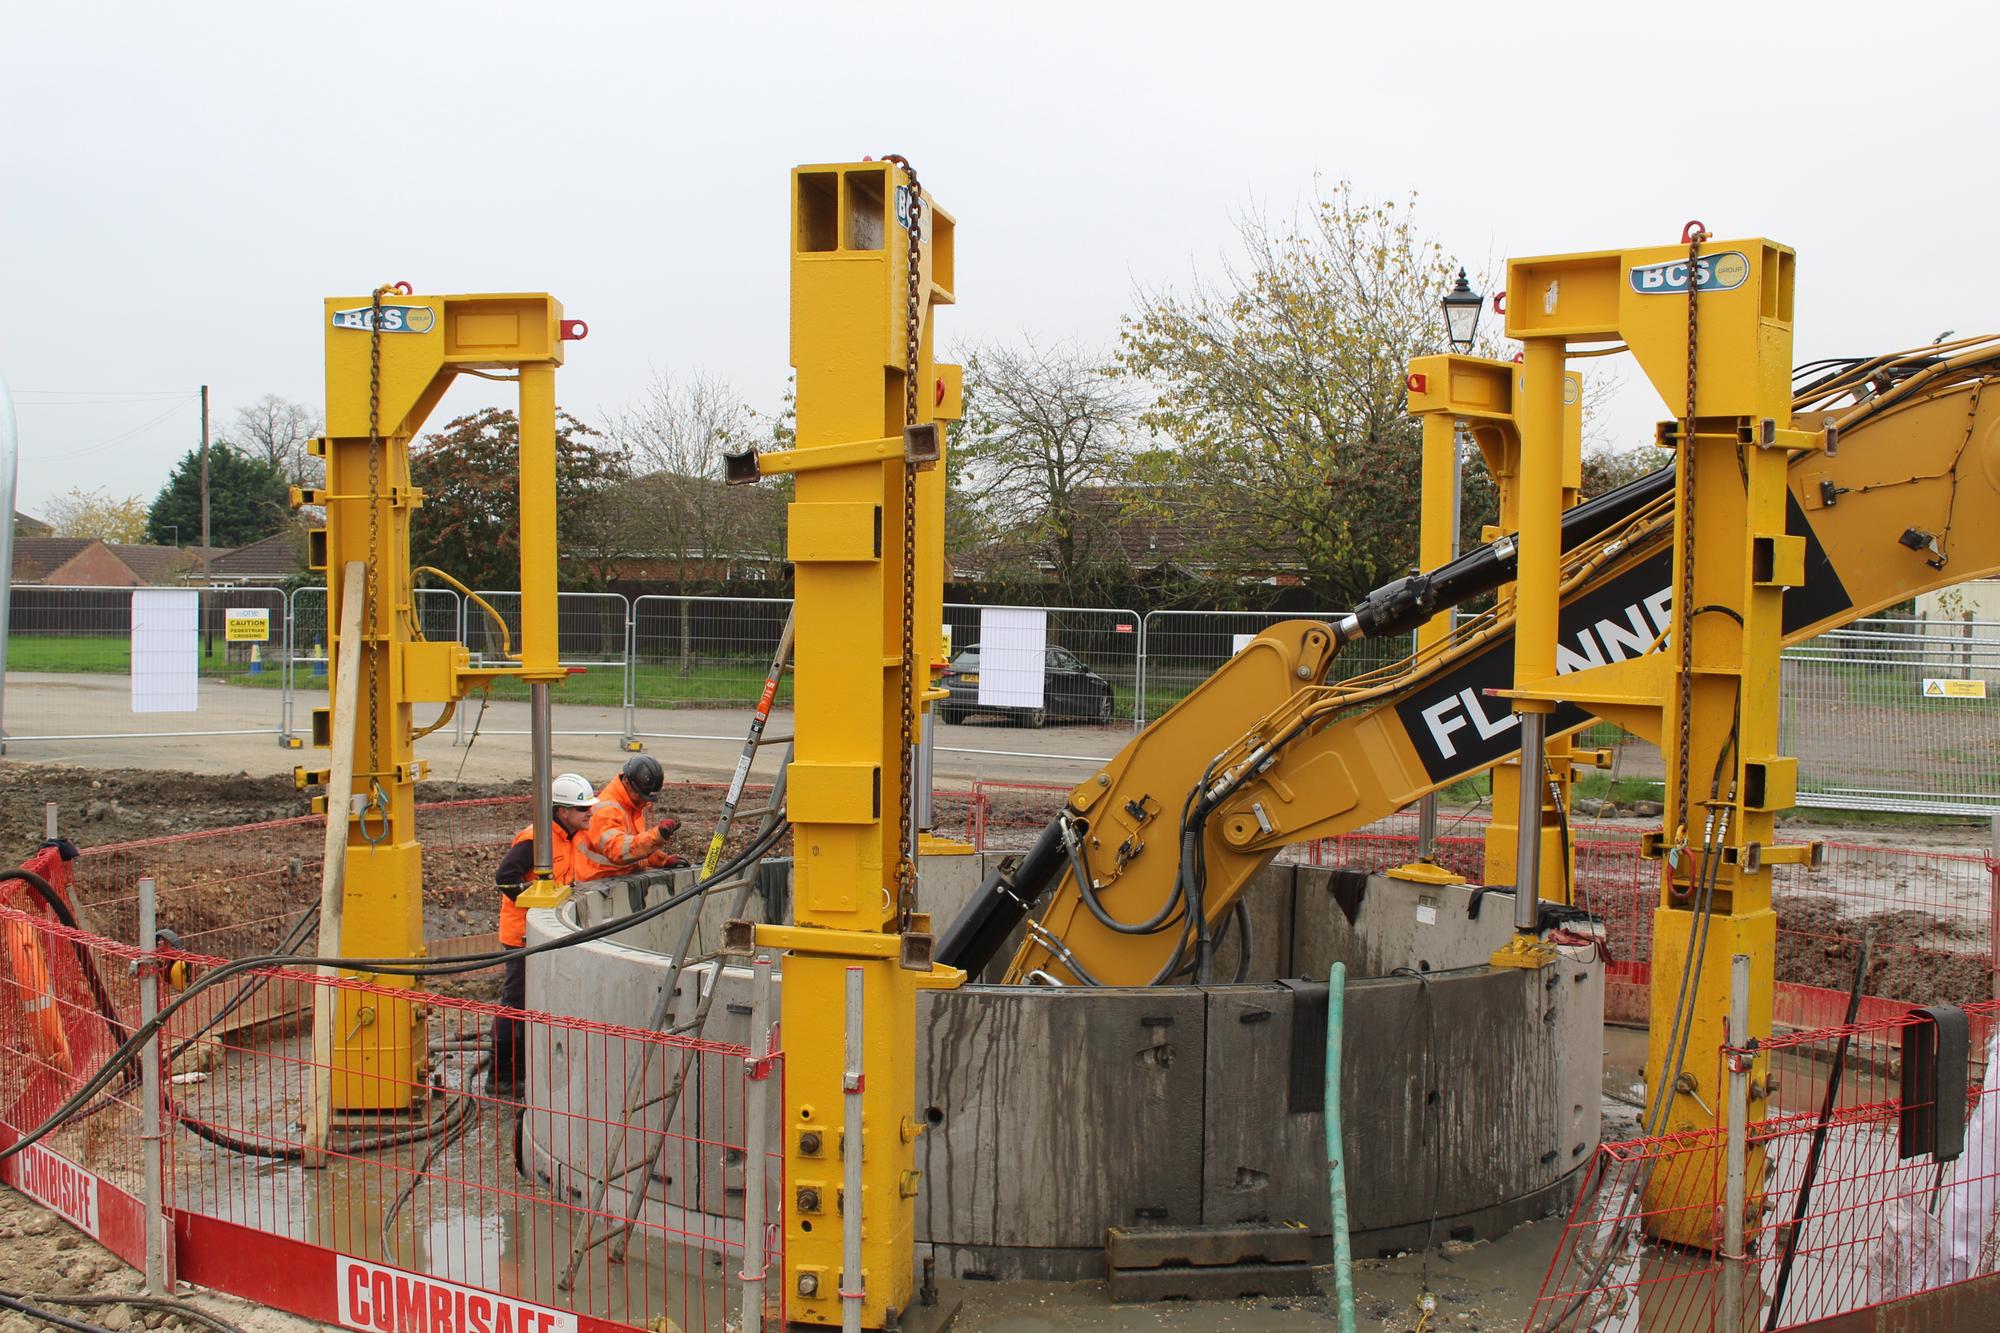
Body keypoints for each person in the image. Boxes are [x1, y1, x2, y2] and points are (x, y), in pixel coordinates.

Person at [489, 771, 597, 1095]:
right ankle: (502, 1078)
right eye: (583, 809)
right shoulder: (536, 838)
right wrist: (534, 902)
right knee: (514, 1005)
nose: (590, 813)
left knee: (530, 1004)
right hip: (522, 936)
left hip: (543, 935)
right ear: (563, 812)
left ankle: (523, 1070)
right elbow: (505, 878)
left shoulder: (566, 837)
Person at [573, 754, 685, 883]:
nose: (645, 802)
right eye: (641, 796)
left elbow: (636, 845)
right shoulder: (606, 810)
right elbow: (618, 850)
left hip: (617, 880)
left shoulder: (631, 806)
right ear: (627, 782)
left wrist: (662, 860)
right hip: (598, 885)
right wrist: (657, 835)